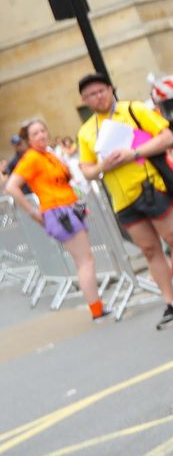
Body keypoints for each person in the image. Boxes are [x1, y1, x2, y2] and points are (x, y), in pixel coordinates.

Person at [75, 72, 173, 328]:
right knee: (149, 250)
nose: (97, 97)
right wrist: (103, 164)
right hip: (122, 199)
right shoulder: (86, 131)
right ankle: (170, 302)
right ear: (84, 100)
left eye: (101, 90)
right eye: (91, 94)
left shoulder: (133, 110)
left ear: (111, 89)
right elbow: (87, 169)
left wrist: (133, 153)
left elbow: (166, 137)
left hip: (151, 186)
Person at [5, 119, 104, 322]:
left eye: (43, 130)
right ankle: (96, 309)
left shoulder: (48, 155)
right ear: (28, 140)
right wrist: (33, 212)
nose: (41, 135)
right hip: (58, 212)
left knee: (85, 260)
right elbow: (11, 186)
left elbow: (66, 184)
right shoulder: (31, 159)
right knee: (84, 261)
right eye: (35, 134)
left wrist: (82, 207)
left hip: (69, 208)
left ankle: (97, 307)